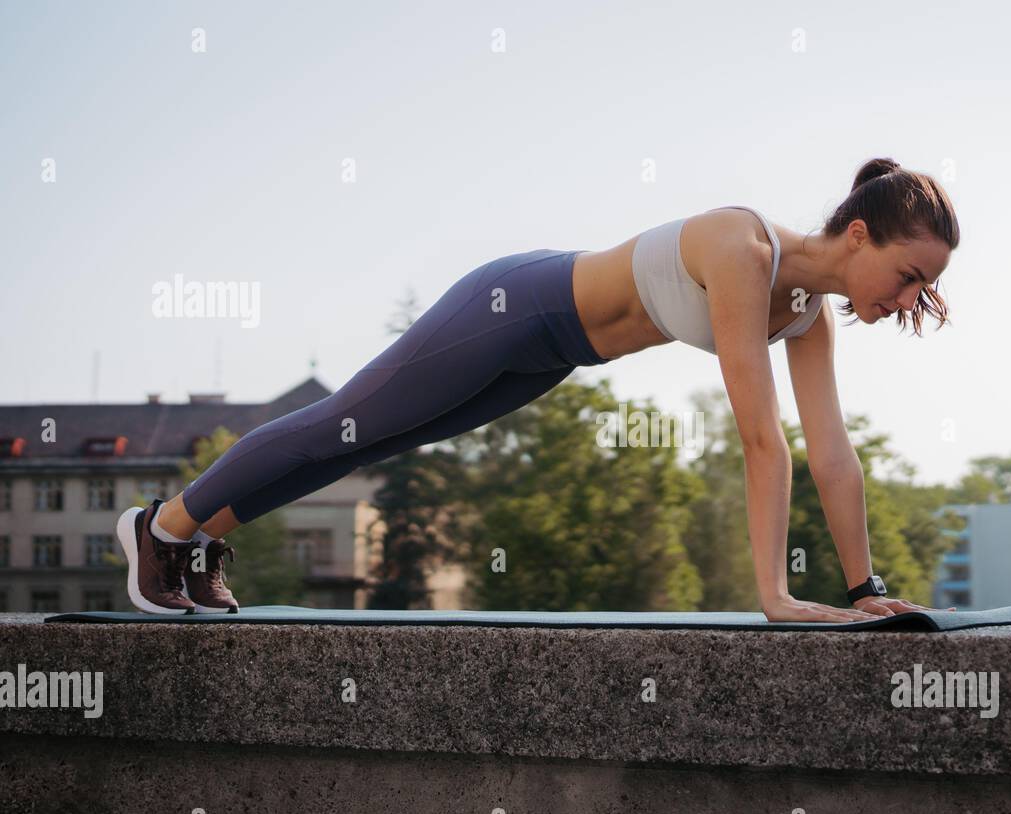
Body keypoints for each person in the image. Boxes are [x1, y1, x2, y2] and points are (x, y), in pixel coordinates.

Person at [116, 157, 960, 623]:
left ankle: (195, 543)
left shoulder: (807, 313)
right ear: (858, 233)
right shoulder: (746, 251)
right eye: (910, 274)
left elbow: (833, 454)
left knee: (375, 442)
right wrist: (775, 598)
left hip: (554, 353)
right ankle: (159, 527)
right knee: (345, 421)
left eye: (924, 287)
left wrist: (864, 590)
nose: (911, 298)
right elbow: (762, 438)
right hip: (516, 306)